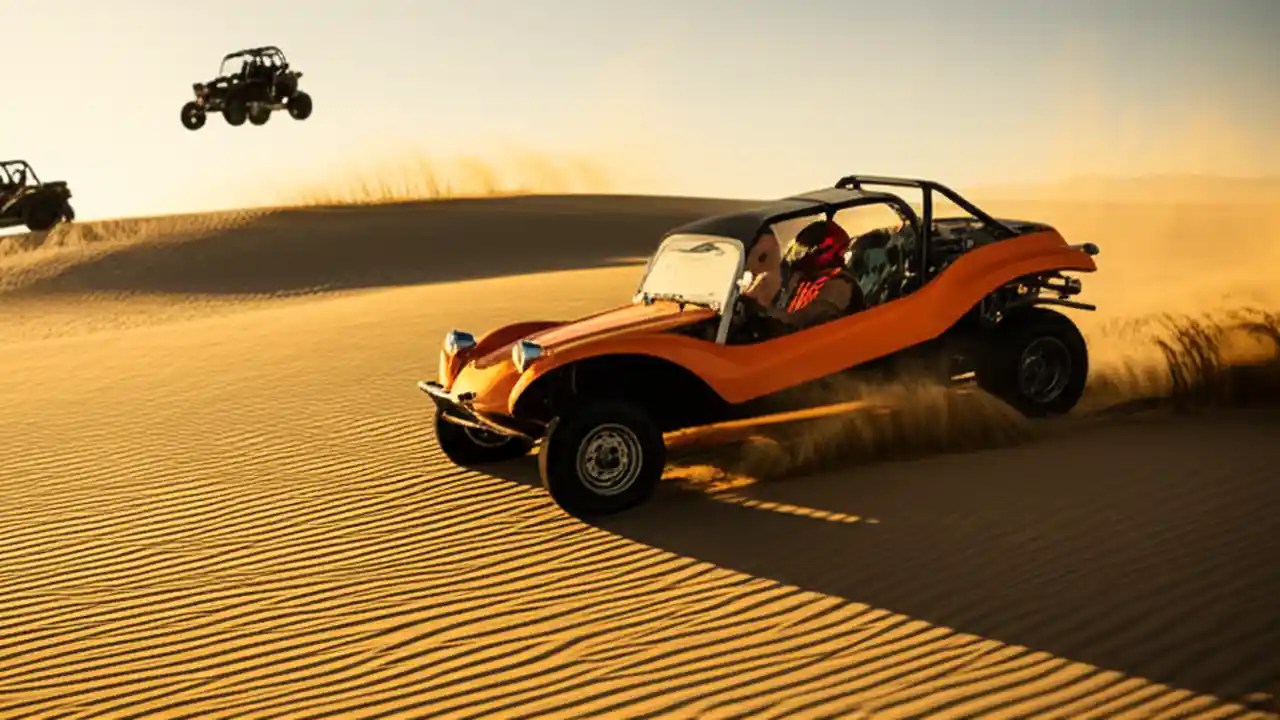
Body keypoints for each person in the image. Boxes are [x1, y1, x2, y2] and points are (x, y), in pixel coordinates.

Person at [740, 220, 865, 335]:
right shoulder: (806, 277)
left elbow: (802, 318)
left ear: (822, 251)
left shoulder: (840, 285)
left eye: (801, 251)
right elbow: (784, 307)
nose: (797, 257)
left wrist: (762, 311)